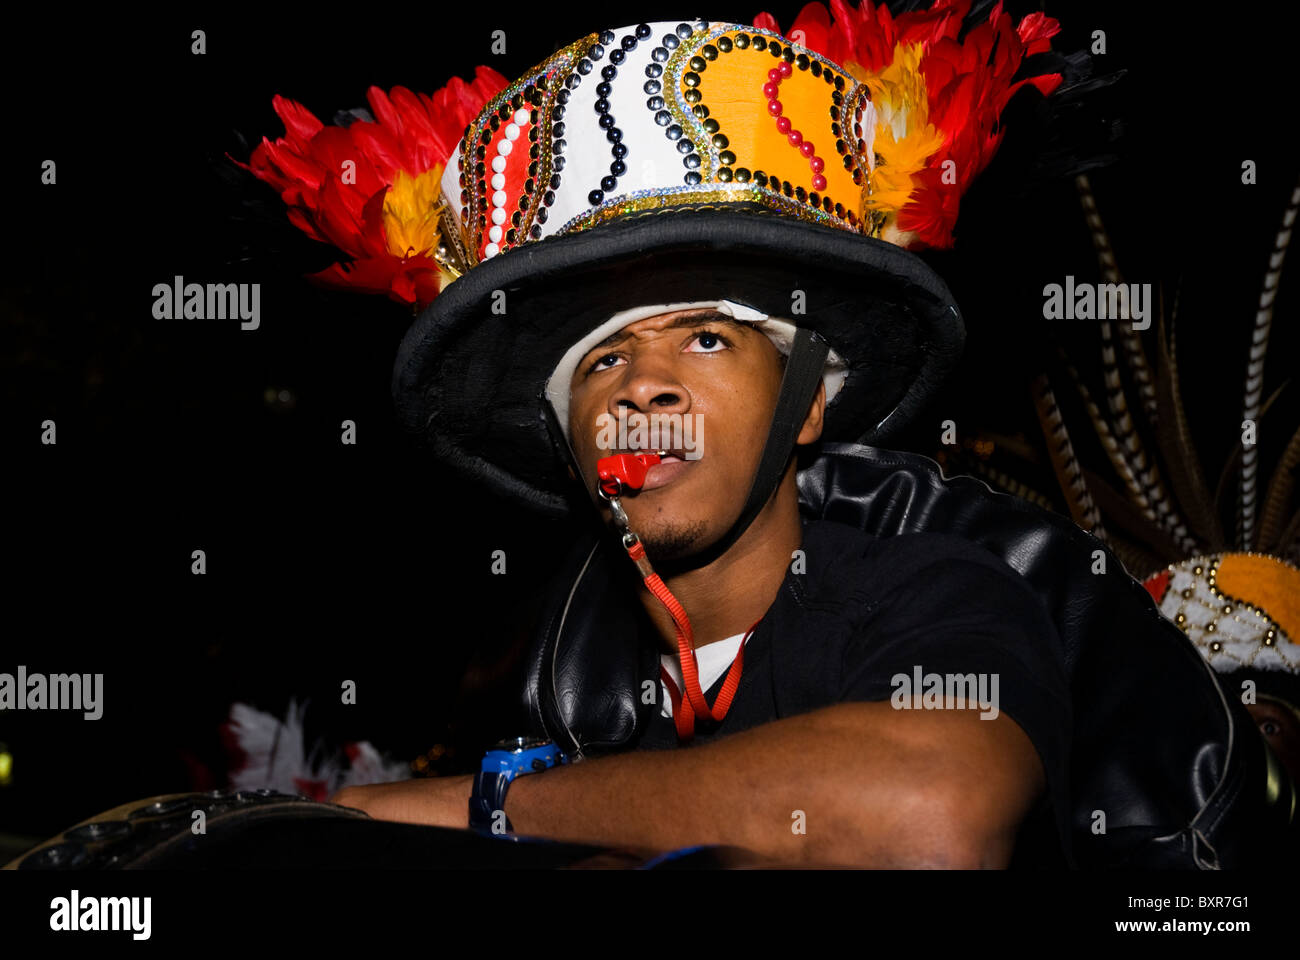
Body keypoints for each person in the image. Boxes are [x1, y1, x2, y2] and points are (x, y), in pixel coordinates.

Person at [241, 8, 1283, 867]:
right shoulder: (551, 672)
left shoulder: (935, 590)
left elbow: (929, 811)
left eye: (704, 336)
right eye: (600, 362)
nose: (645, 384)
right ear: (569, 447)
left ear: (809, 408)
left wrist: (508, 805)